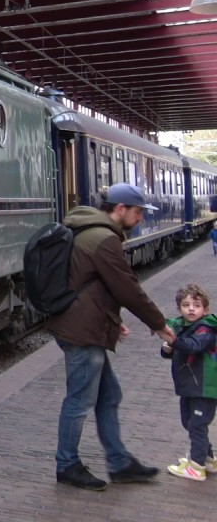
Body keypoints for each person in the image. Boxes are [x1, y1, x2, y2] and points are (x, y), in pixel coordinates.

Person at [47, 182, 176, 491]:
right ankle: (67, 465)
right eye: (138, 212)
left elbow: (91, 283)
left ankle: (119, 463)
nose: (141, 218)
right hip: (82, 332)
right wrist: (159, 324)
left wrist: (112, 321)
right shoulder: (104, 239)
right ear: (120, 209)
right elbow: (127, 288)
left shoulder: (89, 230)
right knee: (79, 400)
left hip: (82, 324)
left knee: (109, 396)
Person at [160, 284, 217, 480]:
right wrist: (167, 348)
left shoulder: (206, 328)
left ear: (205, 310)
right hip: (189, 386)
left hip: (205, 387)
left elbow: (193, 346)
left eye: (196, 305)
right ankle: (207, 459)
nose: (191, 309)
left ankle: (197, 466)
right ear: (179, 308)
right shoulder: (181, 326)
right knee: (189, 422)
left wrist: (172, 340)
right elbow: (175, 349)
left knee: (197, 425)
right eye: (186, 305)